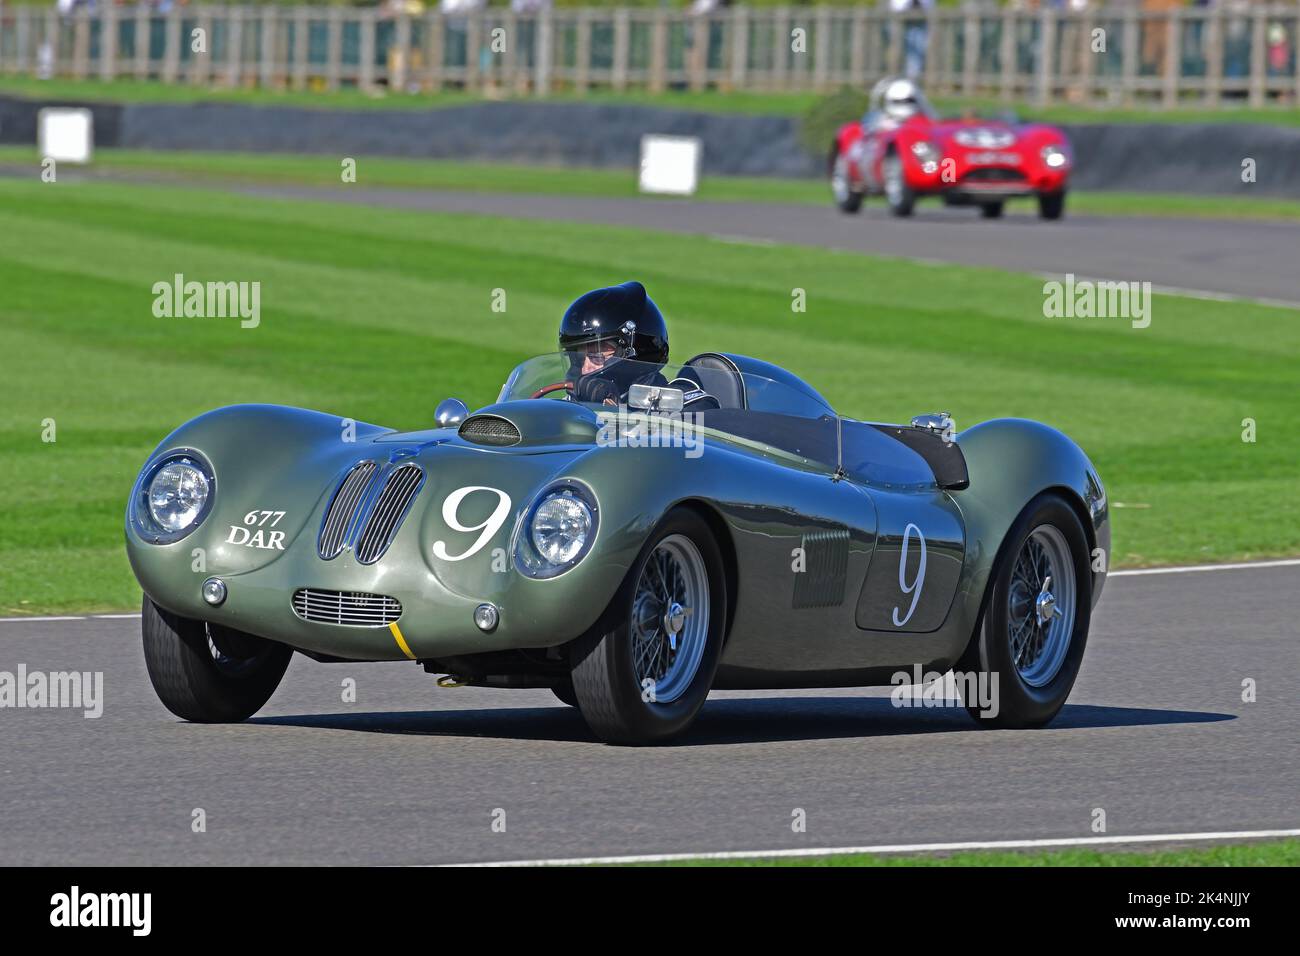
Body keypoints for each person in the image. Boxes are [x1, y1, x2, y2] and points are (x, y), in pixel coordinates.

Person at [558, 281, 670, 406]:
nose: (584, 370)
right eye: (578, 359)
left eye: (597, 357)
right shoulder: (566, 411)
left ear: (634, 356)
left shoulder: (673, 416)